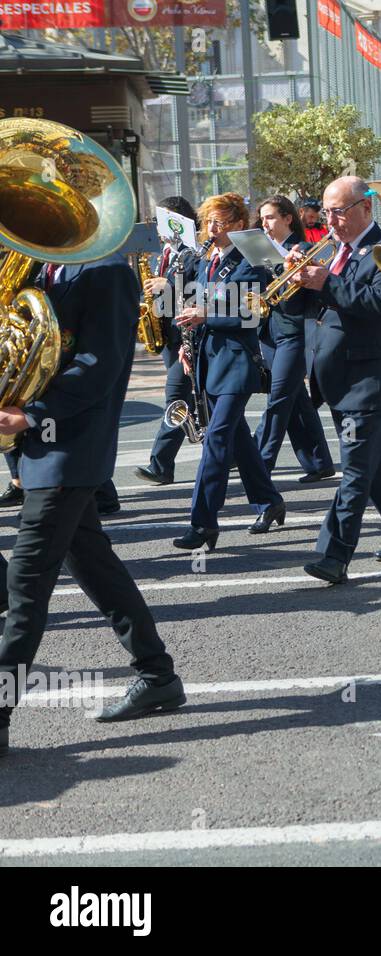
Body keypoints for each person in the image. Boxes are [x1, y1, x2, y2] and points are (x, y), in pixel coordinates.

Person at [0, 251, 186, 757]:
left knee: (25, 582)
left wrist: (31, 412)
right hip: (46, 449)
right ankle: (157, 674)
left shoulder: (106, 273)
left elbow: (98, 366)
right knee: (95, 565)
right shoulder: (40, 271)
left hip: (72, 447)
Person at [283, 176, 381, 585]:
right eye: (327, 211)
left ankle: (333, 555)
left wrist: (326, 281)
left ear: (365, 209)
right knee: (375, 465)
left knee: (354, 469)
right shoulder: (334, 251)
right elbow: (313, 308)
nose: (330, 220)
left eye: (339, 211)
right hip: (336, 376)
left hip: (369, 377)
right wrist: (298, 279)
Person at [171, 193, 286, 551]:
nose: (211, 228)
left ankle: (203, 522)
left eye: (219, 222)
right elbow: (195, 306)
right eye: (208, 221)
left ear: (237, 225)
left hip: (237, 360)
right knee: (238, 439)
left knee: (217, 439)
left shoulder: (250, 262)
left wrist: (206, 316)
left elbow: (251, 315)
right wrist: (186, 345)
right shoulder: (207, 261)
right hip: (209, 358)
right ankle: (269, 501)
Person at [252, 195, 336, 483]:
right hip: (271, 332)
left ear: (288, 218)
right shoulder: (260, 250)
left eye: (271, 217)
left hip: (298, 332)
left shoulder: (306, 249)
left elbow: (309, 293)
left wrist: (289, 270)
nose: (265, 222)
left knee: (279, 398)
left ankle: (260, 463)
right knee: (296, 399)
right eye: (262, 218)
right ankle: (319, 462)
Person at [135, 194, 202, 487]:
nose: (156, 225)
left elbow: (204, 293)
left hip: (190, 335)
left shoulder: (195, 252)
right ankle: (238, 451)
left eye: (161, 219)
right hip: (169, 336)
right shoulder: (162, 252)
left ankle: (161, 465)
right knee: (201, 397)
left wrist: (170, 286)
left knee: (176, 396)